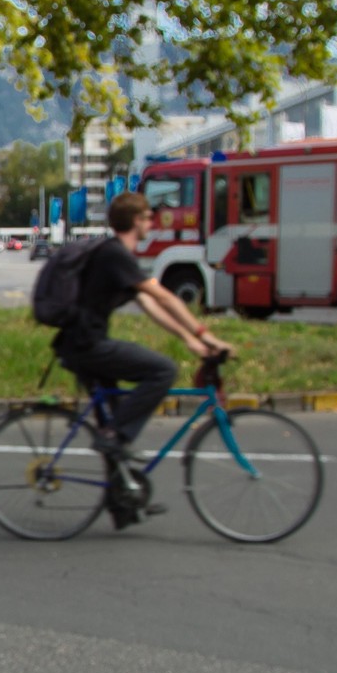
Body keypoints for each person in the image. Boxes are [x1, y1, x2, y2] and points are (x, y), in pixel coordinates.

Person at [54, 190, 231, 470]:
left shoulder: (116, 255)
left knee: (115, 425)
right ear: (135, 220)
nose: (152, 223)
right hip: (87, 345)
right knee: (163, 371)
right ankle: (114, 437)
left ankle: (121, 497)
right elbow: (164, 297)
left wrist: (188, 339)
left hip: (80, 344)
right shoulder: (115, 254)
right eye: (148, 217)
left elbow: (151, 306)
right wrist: (204, 335)